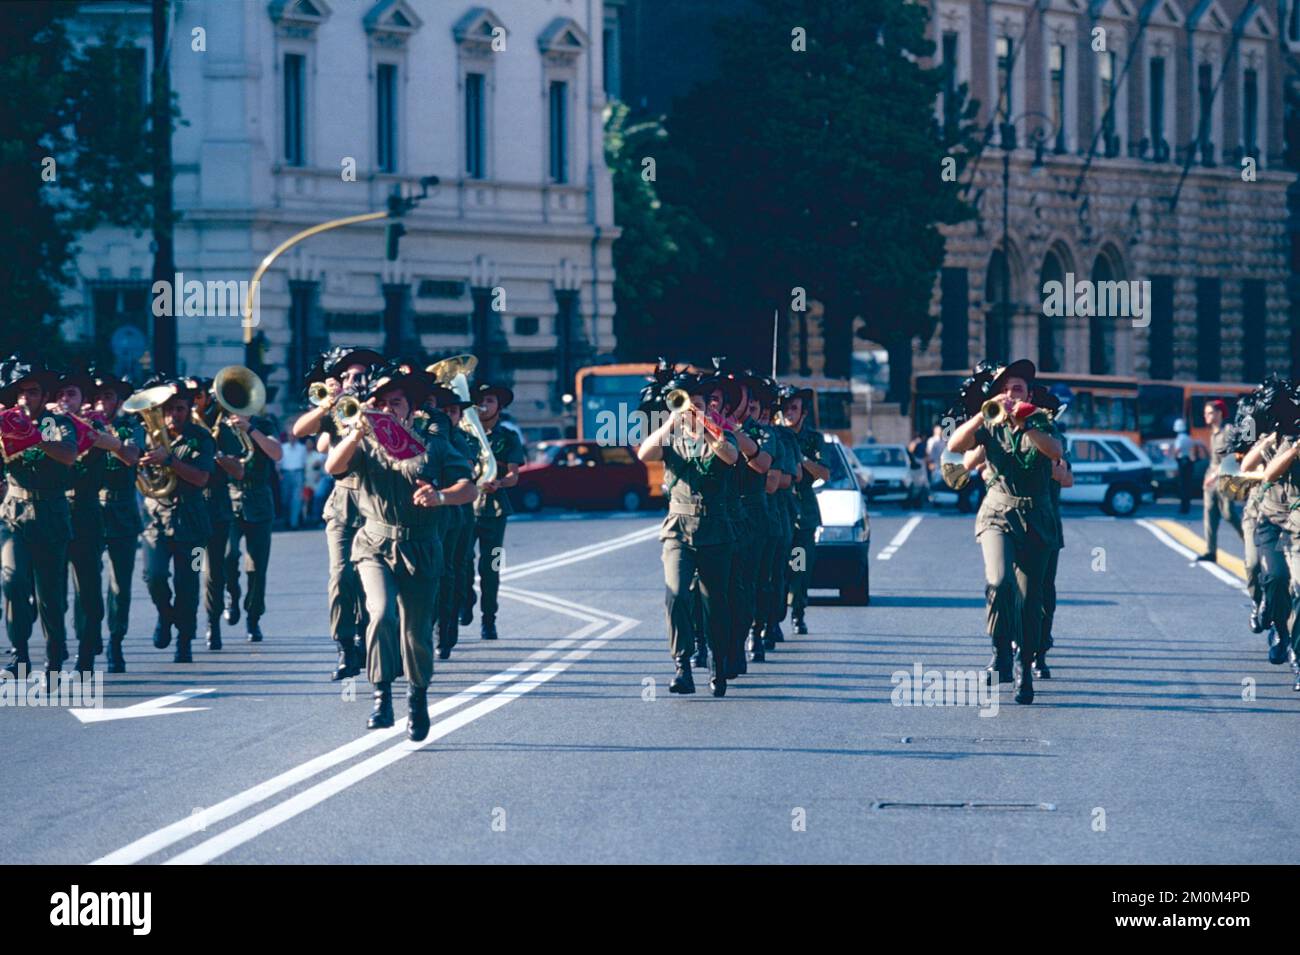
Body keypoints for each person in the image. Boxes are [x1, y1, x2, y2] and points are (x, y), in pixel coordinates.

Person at [324, 362, 475, 740]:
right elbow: (332, 465)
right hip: (374, 543)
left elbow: (468, 487)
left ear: (410, 407)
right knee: (381, 614)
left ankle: (417, 699)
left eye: (397, 403)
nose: (390, 410)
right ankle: (381, 697)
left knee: (416, 632)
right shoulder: (366, 441)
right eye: (383, 403)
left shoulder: (433, 441)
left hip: (421, 545)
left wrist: (440, 496)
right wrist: (356, 434)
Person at [947, 359, 1063, 705]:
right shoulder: (990, 421)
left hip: (1037, 518)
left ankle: (1023, 668)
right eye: (1007, 389)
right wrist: (984, 415)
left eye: (1019, 389)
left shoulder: (1042, 422)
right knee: (999, 580)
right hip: (998, 513)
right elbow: (956, 446)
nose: (1012, 394)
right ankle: (999, 649)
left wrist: (1025, 423)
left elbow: (1055, 452)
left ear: (1029, 395)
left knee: (1031, 601)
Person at [637, 374, 740, 697]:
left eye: (697, 404)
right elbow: (645, 454)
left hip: (715, 528)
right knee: (677, 594)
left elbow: (731, 457)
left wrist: (710, 428)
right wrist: (670, 423)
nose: (691, 410)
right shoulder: (672, 435)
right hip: (678, 528)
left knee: (715, 602)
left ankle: (718, 664)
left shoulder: (720, 433)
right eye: (687, 404)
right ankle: (682, 665)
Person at [292, 346, 381, 681]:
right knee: (341, 576)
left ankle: (367, 636)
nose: (354, 381)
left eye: (360, 375)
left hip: (380, 504)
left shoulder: (382, 404)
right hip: (344, 503)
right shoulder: (337, 409)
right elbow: (301, 431)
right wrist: (329, 402)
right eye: (348, 376)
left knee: (370, 581)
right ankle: (345, 645)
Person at [0, 359, 79, 683]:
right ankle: (19, 654)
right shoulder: (5, 423)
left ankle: (54, 654)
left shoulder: (55, 423)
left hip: (51, 514)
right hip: (15, 513)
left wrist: (35, 438)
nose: (25, 399)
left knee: (51, 596)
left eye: (32, 392)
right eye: (20, 393)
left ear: (43, 394)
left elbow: (69, 454)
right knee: (12, 581)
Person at [55, 370, 130, 674]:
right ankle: (61, 644)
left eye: (71, 394)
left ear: (81, 400)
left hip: (87, 512)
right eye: (60, 394)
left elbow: (125, 452)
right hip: (55, 511)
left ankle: (89, 646)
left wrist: (83, 428)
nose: (64, 400)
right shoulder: (49, 425)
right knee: (52, 589)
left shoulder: (95, 426)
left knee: (88, 587)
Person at [140, 379, 215, 664]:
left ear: (188, 408)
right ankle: (165, 613)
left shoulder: (202, 437)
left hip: (194, 524)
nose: (174, 415)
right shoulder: (148, 435)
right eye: (169, 409)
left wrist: (169, 460)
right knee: (153, 576)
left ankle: (185, 640)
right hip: (155, 519)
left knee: (189, 583)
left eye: (180, 409)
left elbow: (201, 478)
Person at [186, 377, 244, 652]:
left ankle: (213, 622)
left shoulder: (223, 426)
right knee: (195, 568)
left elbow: (240, 470)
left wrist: (222, 458)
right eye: (191, 398)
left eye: (198, 396)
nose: (195, 402)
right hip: (191, 508)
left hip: (218, 506)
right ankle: (188, 620)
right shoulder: (182, 428)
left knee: (218, 569)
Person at [91, 369, 143, 673]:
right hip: (87, 511)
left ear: (118, 400)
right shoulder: (78, 424)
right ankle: (90, 634)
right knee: (86, 583)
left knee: (119, 585)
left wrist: (104, 436)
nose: (101, 403)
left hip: (122, 511)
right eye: (97, 397)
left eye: (107, 397)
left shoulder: (129, 426)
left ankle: (116, 641)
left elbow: (132, 456)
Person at [465, 382, 525, 641]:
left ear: (499, 406)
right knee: (461, 563)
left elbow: (514, 474)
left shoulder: (508, 437)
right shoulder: (464, 435)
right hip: (465, 508)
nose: (483, 405)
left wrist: (500, 482)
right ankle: (464, 599)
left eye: (489, 400)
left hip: (496, 511)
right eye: (479, 400)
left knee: (492, 567)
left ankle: (489, 619)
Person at [428, 382, 480, 660]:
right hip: (426, 514)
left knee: (451, 571)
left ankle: (444, 633)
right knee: (434, 573)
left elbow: (469, 472)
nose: (447, 415)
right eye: (442, 409)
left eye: (453, 411)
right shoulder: (426, 434)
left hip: (455, 514)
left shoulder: (461, 439)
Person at [223, 402, 282, 642]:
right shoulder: (220, 427)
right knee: (227, 554)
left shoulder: (264, 424)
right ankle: (231, 594)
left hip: (258, 498)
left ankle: (253, 617)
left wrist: (249, 429)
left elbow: (277, 453)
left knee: (257, 566)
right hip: (228, 498)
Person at [780, 386, 829, 635]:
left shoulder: (813, 439)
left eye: (794, 408)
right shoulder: (773, 436)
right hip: (776, 510)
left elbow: (824, 473)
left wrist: (801, 458)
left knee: (799, 565)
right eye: (785, 408)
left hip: (802, 514)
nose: (789, 412)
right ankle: (770, 617)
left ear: (803, 413)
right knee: (774, 568)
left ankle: (797, 612)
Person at [1200, 399, 1243, 562]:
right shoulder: (1213, 433)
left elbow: (1230, 458)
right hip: (1210, 479)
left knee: (1228, 514)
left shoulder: (1227, 431)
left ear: (1219, 414)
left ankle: (1249, 542)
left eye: (1209, 412)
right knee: (1209, 513)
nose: (1206, 416)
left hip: (1224, 478)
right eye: (1206, 413)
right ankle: (1210, 552)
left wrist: (1213, 475)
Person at [279, 433, 308, 529]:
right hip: (285, 474)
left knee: (296, 499)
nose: (292, 438)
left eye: (293, 436)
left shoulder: (302, 448)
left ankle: (294, 523)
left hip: (298, 473)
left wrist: (304, 477)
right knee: (285, 499)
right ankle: (287, 520)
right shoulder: (283, 447)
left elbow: (305, 463)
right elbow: (278, 462)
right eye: (290, 436)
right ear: (288, 437)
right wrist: (279, 474)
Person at [1173, 419, 1194, 515]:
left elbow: (1177, 450)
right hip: (1189, 461)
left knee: (1182, 485)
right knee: (1188, 485)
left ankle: (1183, 507)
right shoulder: (1188, 438)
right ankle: (1187, 506)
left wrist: (1174, 457)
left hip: (1182, 462)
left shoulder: (1179, 439)